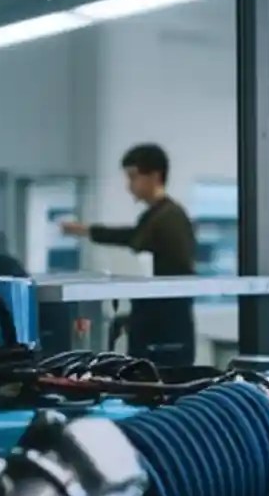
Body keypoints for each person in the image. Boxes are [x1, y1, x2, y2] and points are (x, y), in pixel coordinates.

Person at [61, 143, 197, 367]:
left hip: (167, 328)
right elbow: (130, 236)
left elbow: (178, 270)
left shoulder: (169, 218)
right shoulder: (156, 216)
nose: (129, 186)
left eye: (133, 177)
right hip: (155, 322)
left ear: (154, 176)